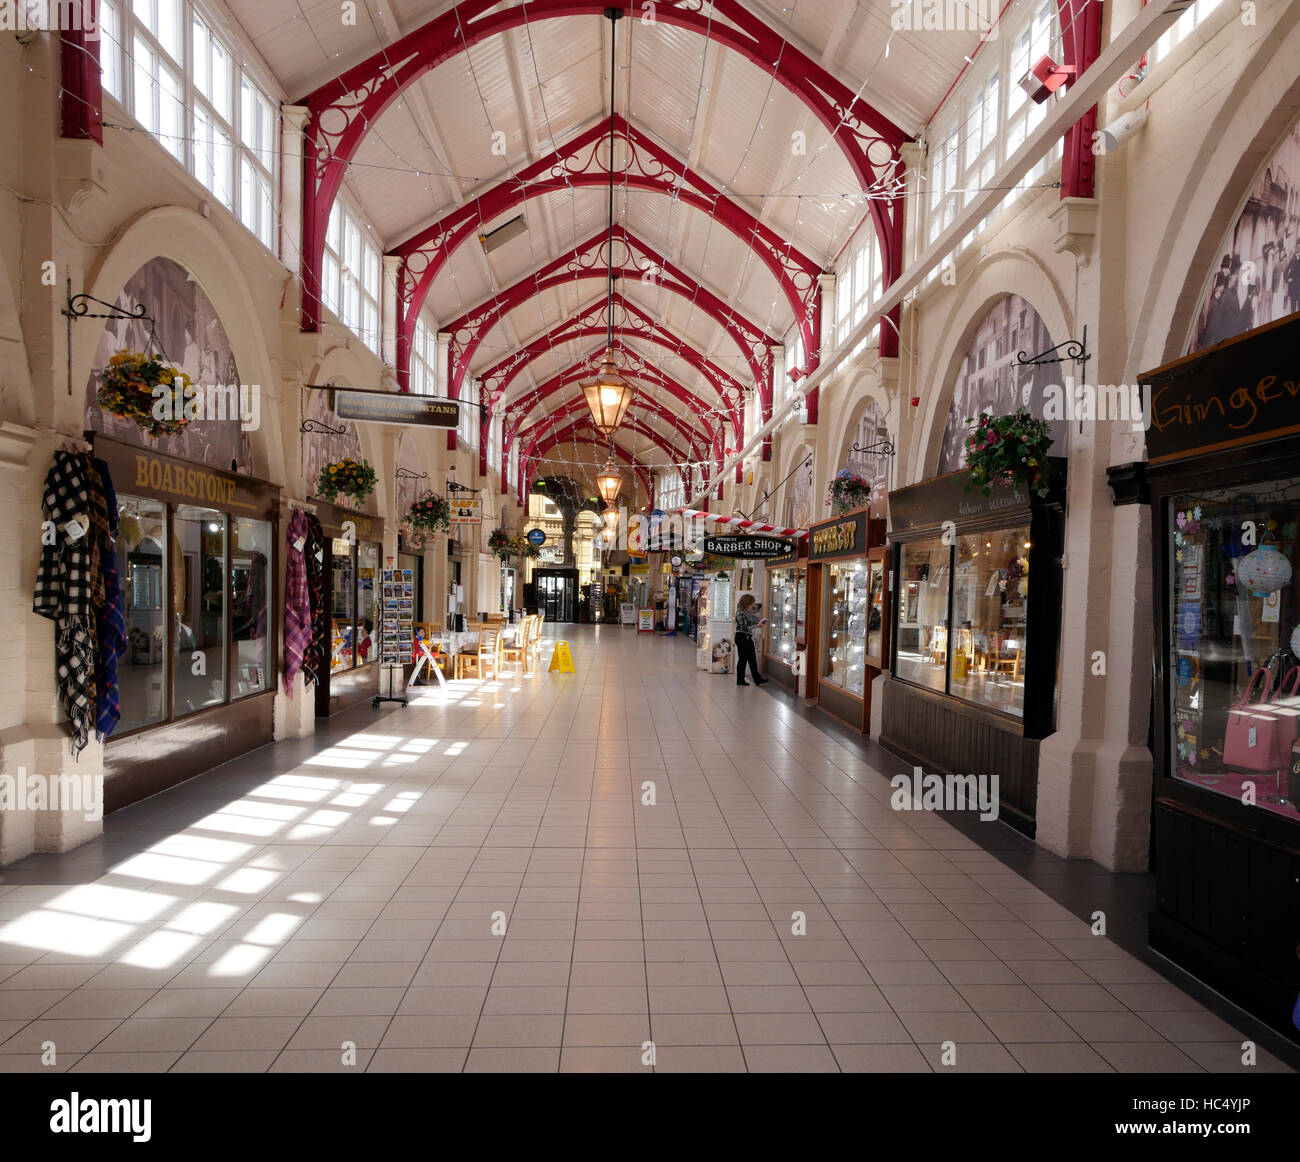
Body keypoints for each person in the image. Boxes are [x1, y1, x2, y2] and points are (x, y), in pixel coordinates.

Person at [734, 593, 768, 687]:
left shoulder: (745, 612)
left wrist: (759, 622)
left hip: (747, 638)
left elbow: (749, 623)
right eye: (752, 604)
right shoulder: (740, 613)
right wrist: (757, 625)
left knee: (752, 659)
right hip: (742, 638)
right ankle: (741, 680)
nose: (753, 606)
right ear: (747, 603)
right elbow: (743, 628)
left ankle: (757, 679)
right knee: (743, 660)